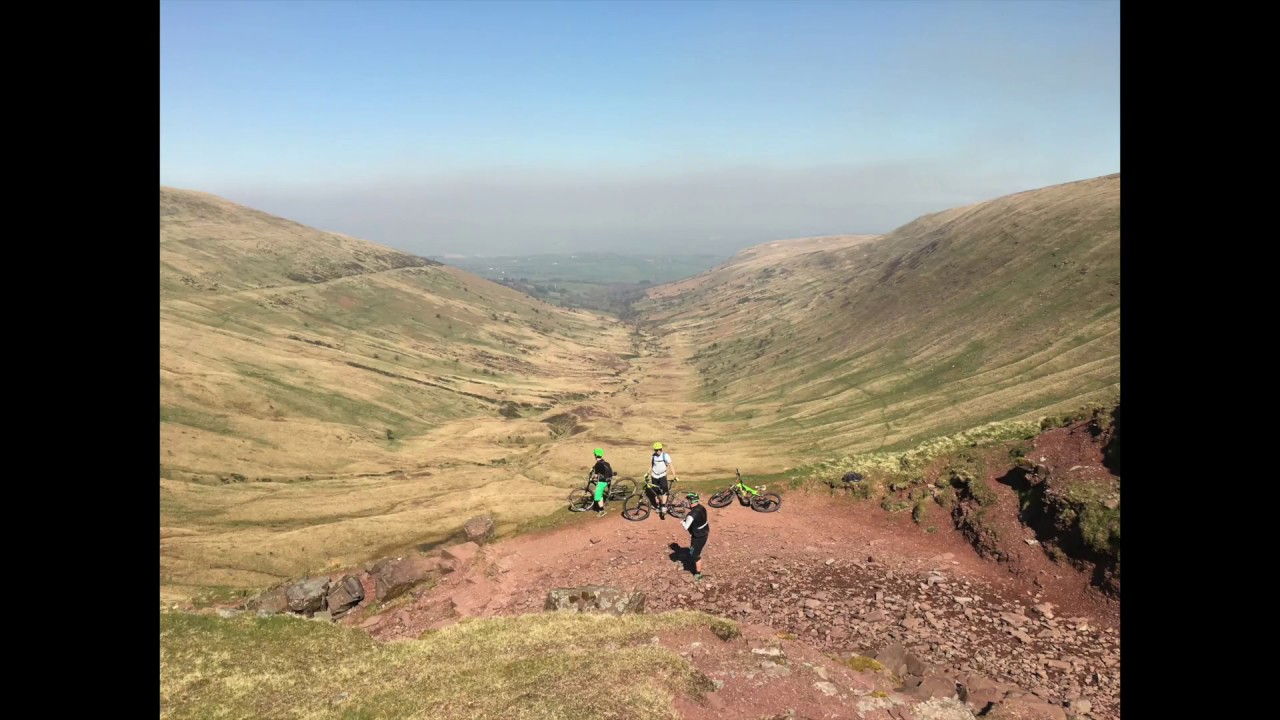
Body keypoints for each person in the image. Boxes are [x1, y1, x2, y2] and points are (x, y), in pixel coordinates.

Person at [681, 491, 709, 581]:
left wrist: (682, 522)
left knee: (695, 555)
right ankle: (696, 554)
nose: (687, 502)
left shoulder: (691, 515)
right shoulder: (702, 508)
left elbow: (686, 527)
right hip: (704, 532)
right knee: (695, 550)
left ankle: (698, 574)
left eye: (689, 501)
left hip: (698, 536)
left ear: (692, 501)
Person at [647, 442, 675, 518]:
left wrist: (674, 475)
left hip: (662, 475)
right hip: (654, 476)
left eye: (658, 450)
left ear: (661, 449)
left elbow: (671, 466)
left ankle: (663, 506)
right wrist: (647, 473)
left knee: (665, 491)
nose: (657, 451)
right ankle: (658, 506)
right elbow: (651, 465)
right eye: (655, 450)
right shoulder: (653, 456)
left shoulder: (665, 456)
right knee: (655, 492)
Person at [590, 448, 614, 517]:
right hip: (608, 480)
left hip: (603, 482)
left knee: (597, 496)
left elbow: (596, 475)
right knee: (600, 494)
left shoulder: (598, 464)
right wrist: (593, 467)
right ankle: (604, 502)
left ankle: (602, 511)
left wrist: (592, 478)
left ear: (595, 455)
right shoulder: (605, 462)